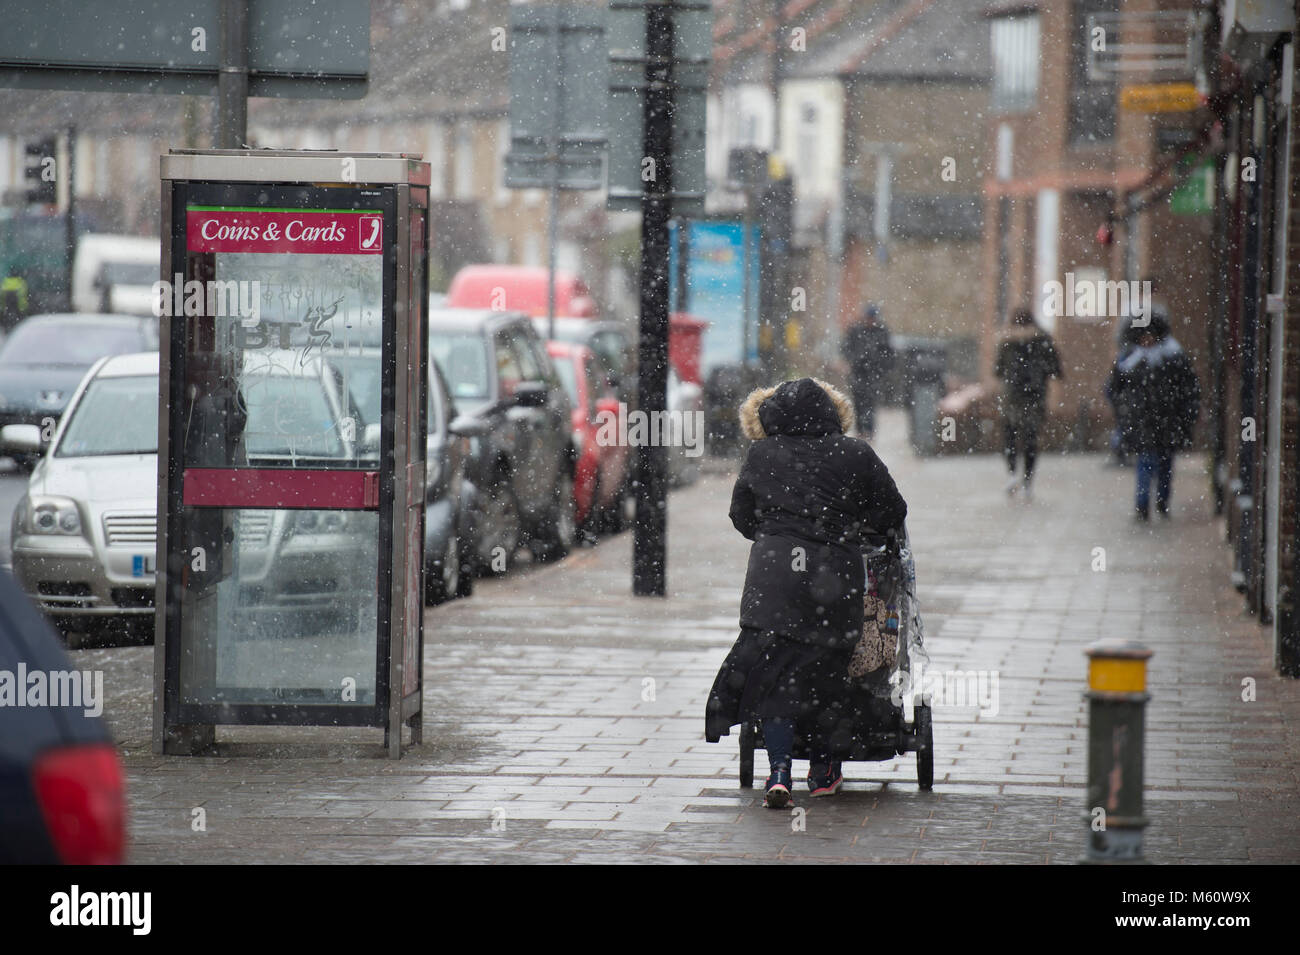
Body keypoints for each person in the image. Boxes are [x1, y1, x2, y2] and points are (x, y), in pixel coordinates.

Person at [705, 377, 908, 807]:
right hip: (834, 581)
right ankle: (822, 770)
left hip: (774, 577)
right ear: (835, 414)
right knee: (827, 677)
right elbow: (893, 511)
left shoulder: (761, 454)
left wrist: (773, 534)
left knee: (775, 673)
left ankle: (779, 771)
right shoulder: (855, 453)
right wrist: (856, 526)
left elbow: (741, 515)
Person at [1107, 307, 1200, 520]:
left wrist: (1187, 414)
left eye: (1151, 335)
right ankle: (1142, 505)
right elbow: (1115, 389)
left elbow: (1188, 389)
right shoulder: (1130, 361)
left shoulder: (1173, 358)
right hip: (1144, 422)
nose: (1147, 340)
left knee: (1165, 463)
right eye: (1143, 336)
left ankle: (1162, 500)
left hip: (1168, 421)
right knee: (1146, 461)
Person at [993, 308, 1062, 499]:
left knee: (1010, 437)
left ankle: (1012, 474)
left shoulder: (1006, 341)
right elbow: (1056, 368)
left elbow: (997, 370)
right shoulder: (1043, 340)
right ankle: (1028, 481)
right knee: (1030, 440)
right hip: (1035, 397)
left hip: (1012, 398)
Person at [839, 303, 895, 439]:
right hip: (857, 372)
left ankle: (869, 430)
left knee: (871, 402)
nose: (870, 321)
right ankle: (860, 430)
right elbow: (845, 348)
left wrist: (882, 368)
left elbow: (888, 353)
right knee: (858, 402)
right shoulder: (855, 330)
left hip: (874, 373)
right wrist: (852, 360)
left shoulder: (882, 332)